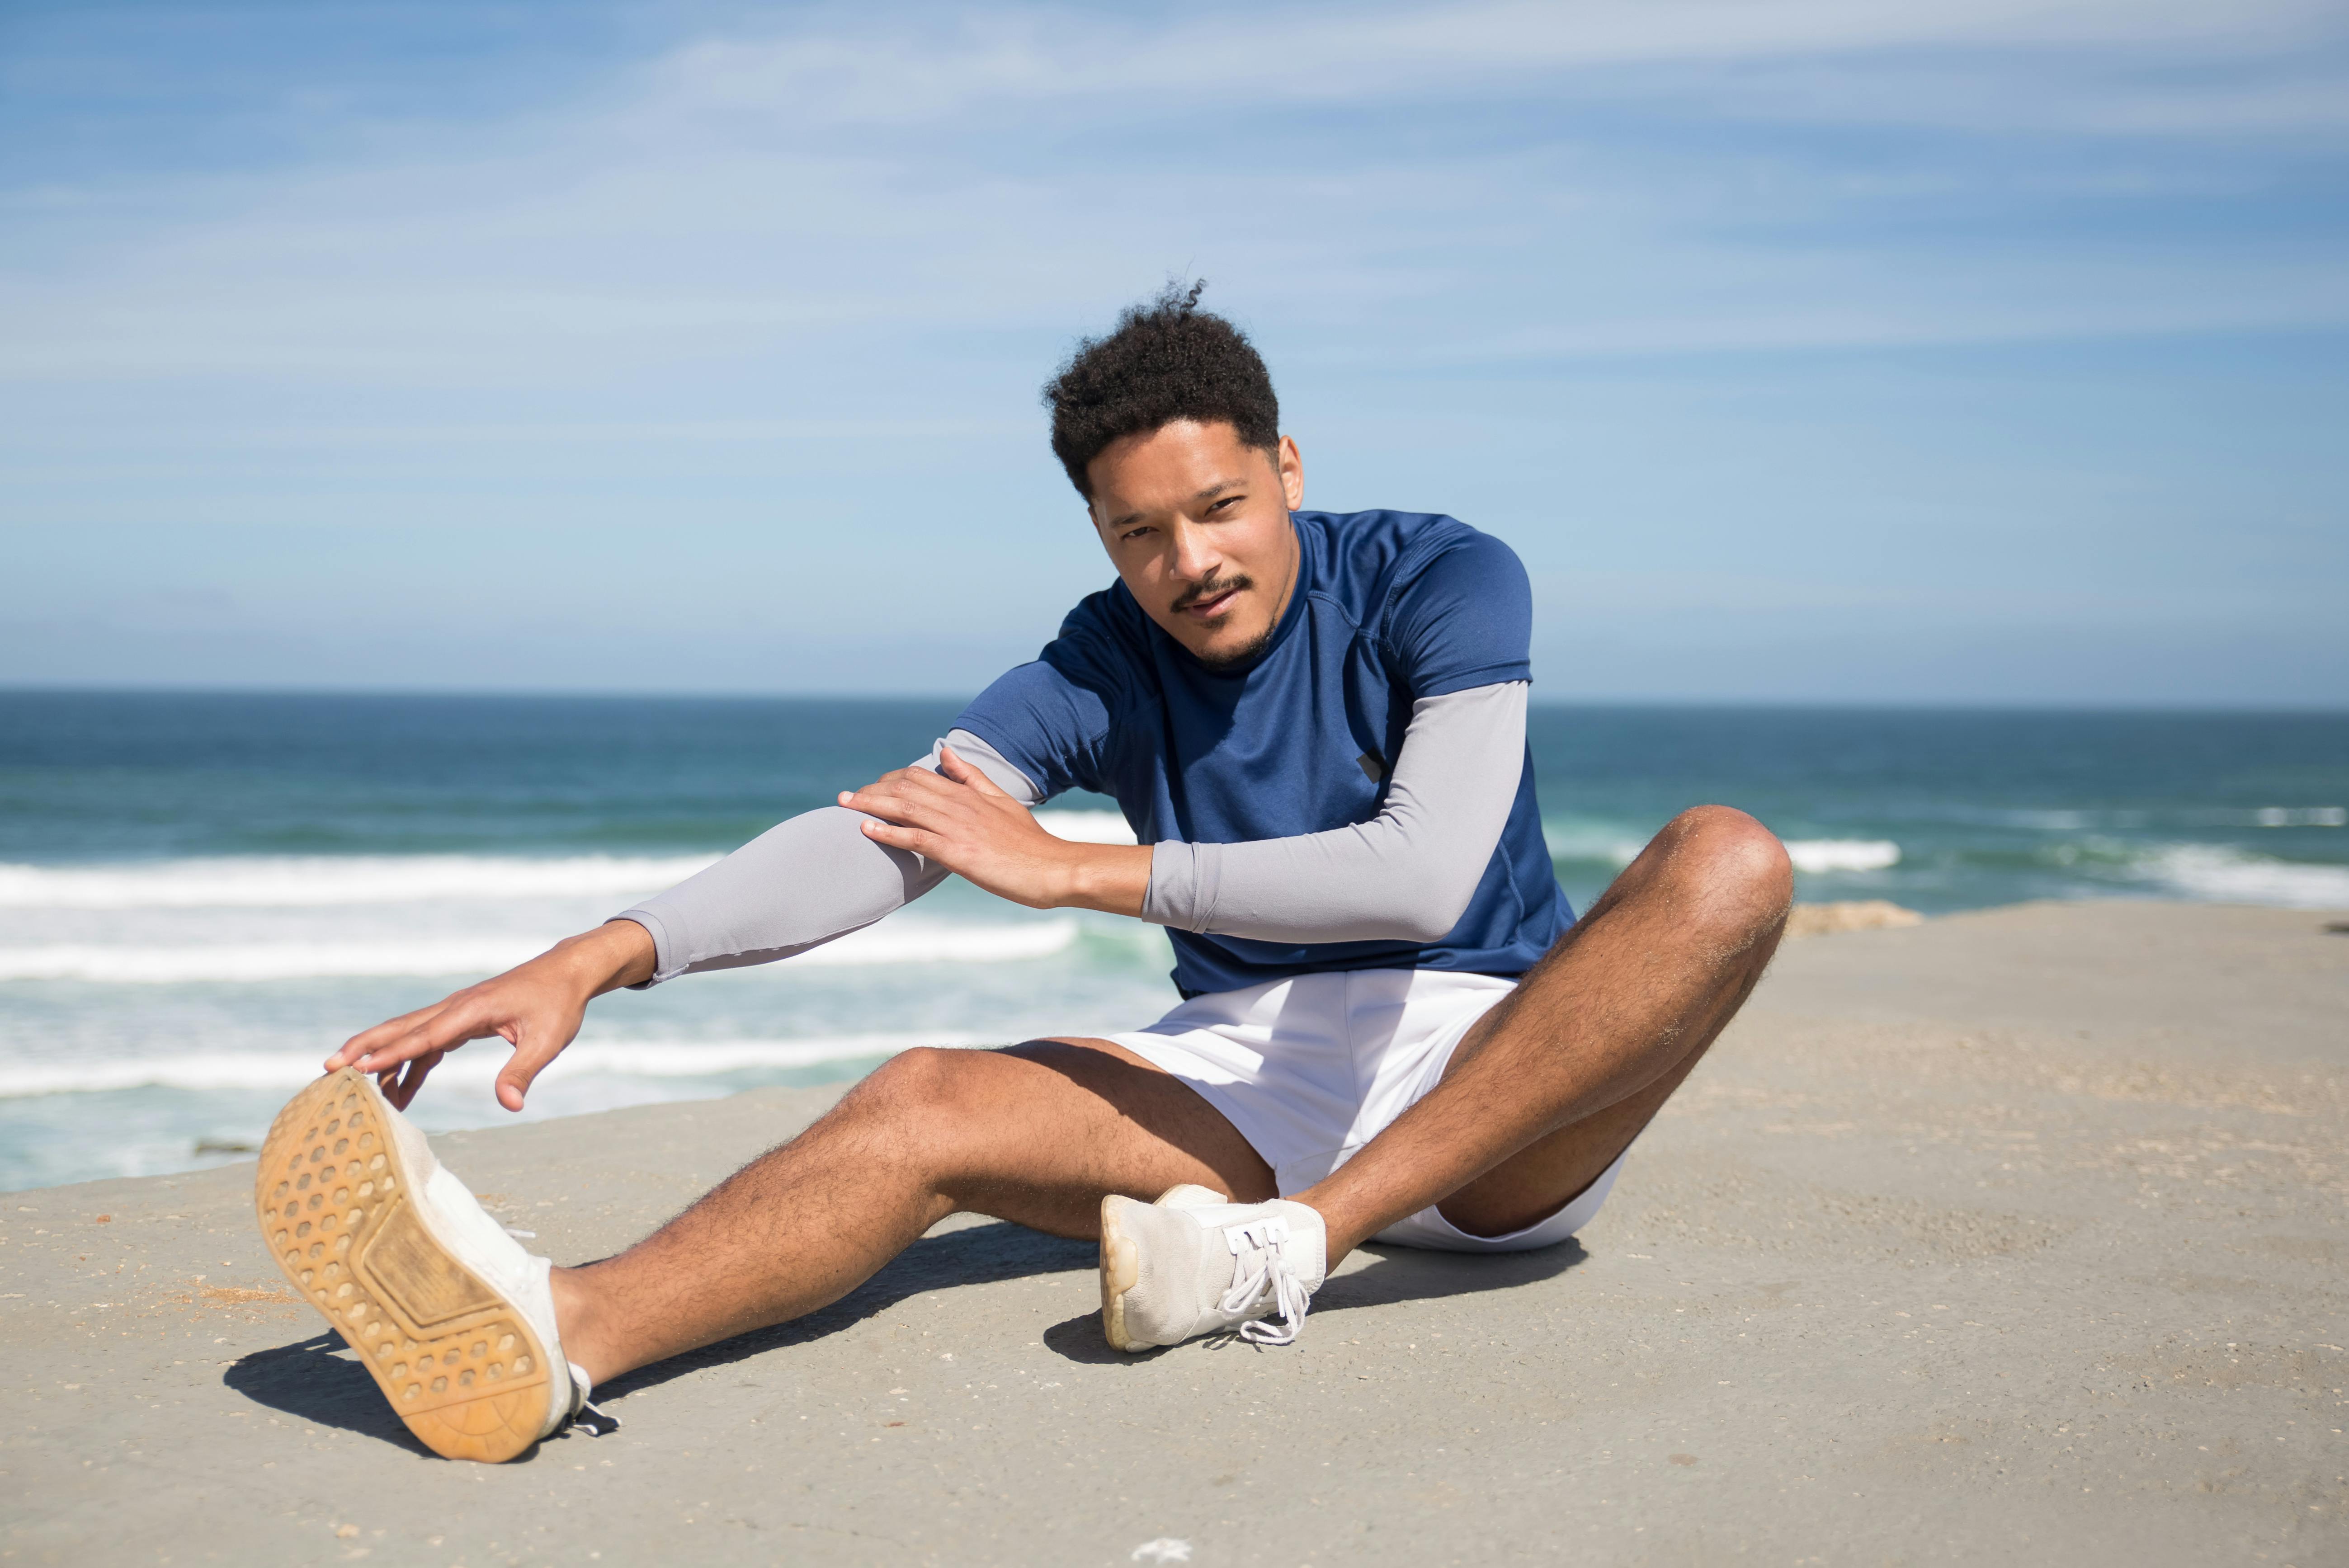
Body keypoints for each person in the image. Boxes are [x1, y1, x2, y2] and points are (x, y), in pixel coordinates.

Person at [255, 283, 1792, 1463]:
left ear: (1287, 468)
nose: (1189, 562)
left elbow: (1420, 876)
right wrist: (599, 953)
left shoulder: (1442, 574)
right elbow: (900, 830)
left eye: (1220, 508)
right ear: (1100, 534)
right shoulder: (1102, 655)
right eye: (1140, 534)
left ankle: (1297, 1247)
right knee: (920, 1096)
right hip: (1253, 1075)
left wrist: (1079, 875)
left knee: (1727, 860)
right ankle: (562, 1329)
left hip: (1494, 1077)